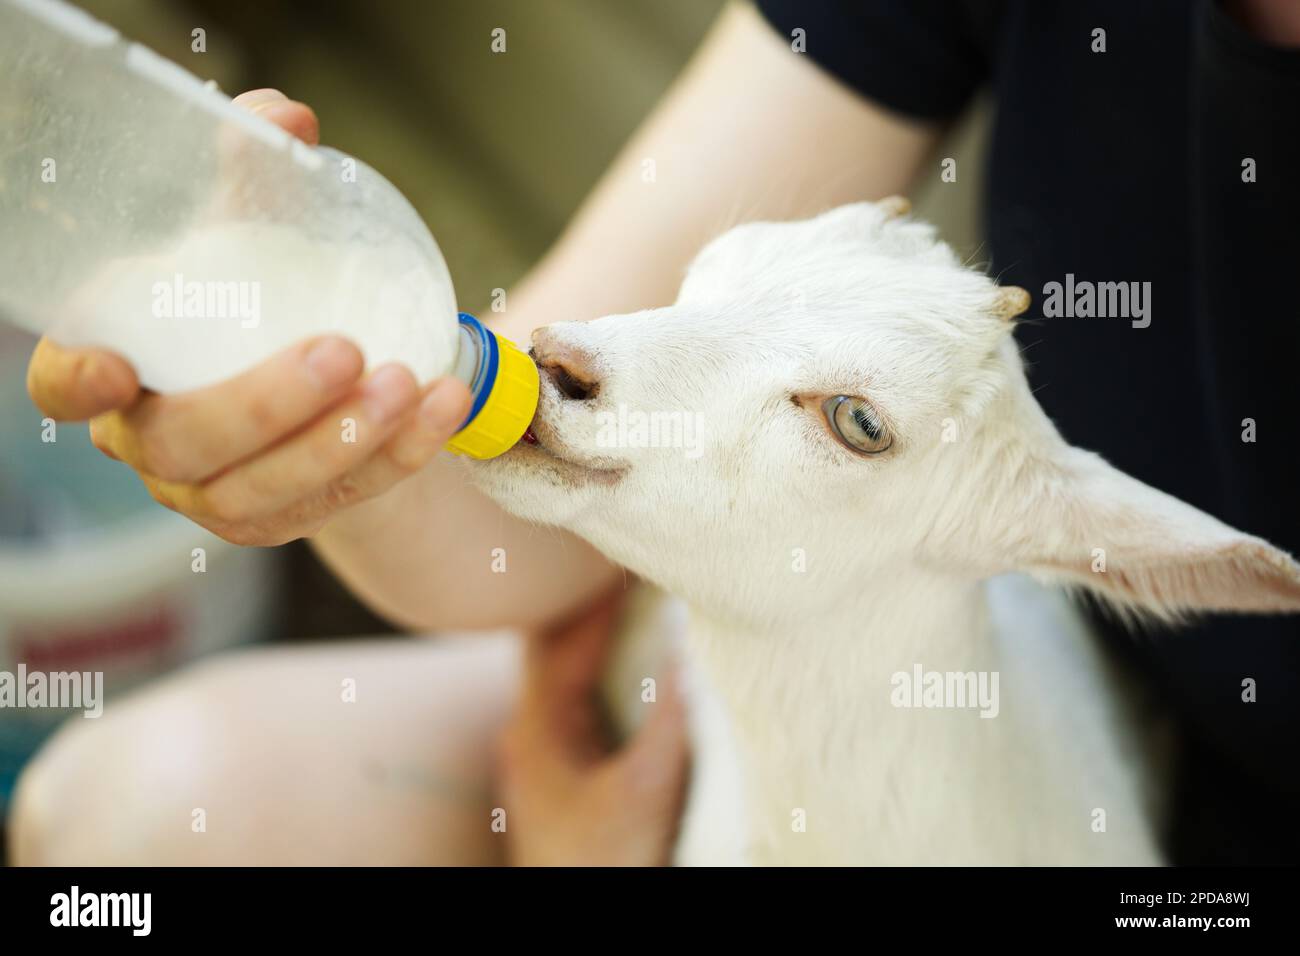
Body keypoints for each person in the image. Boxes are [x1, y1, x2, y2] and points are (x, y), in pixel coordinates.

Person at [12, 0, 1299, 865]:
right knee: (111, 819)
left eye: (850, 420)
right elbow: (508, 442)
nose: (585, 353)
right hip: (718, 708)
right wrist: (335, 399)